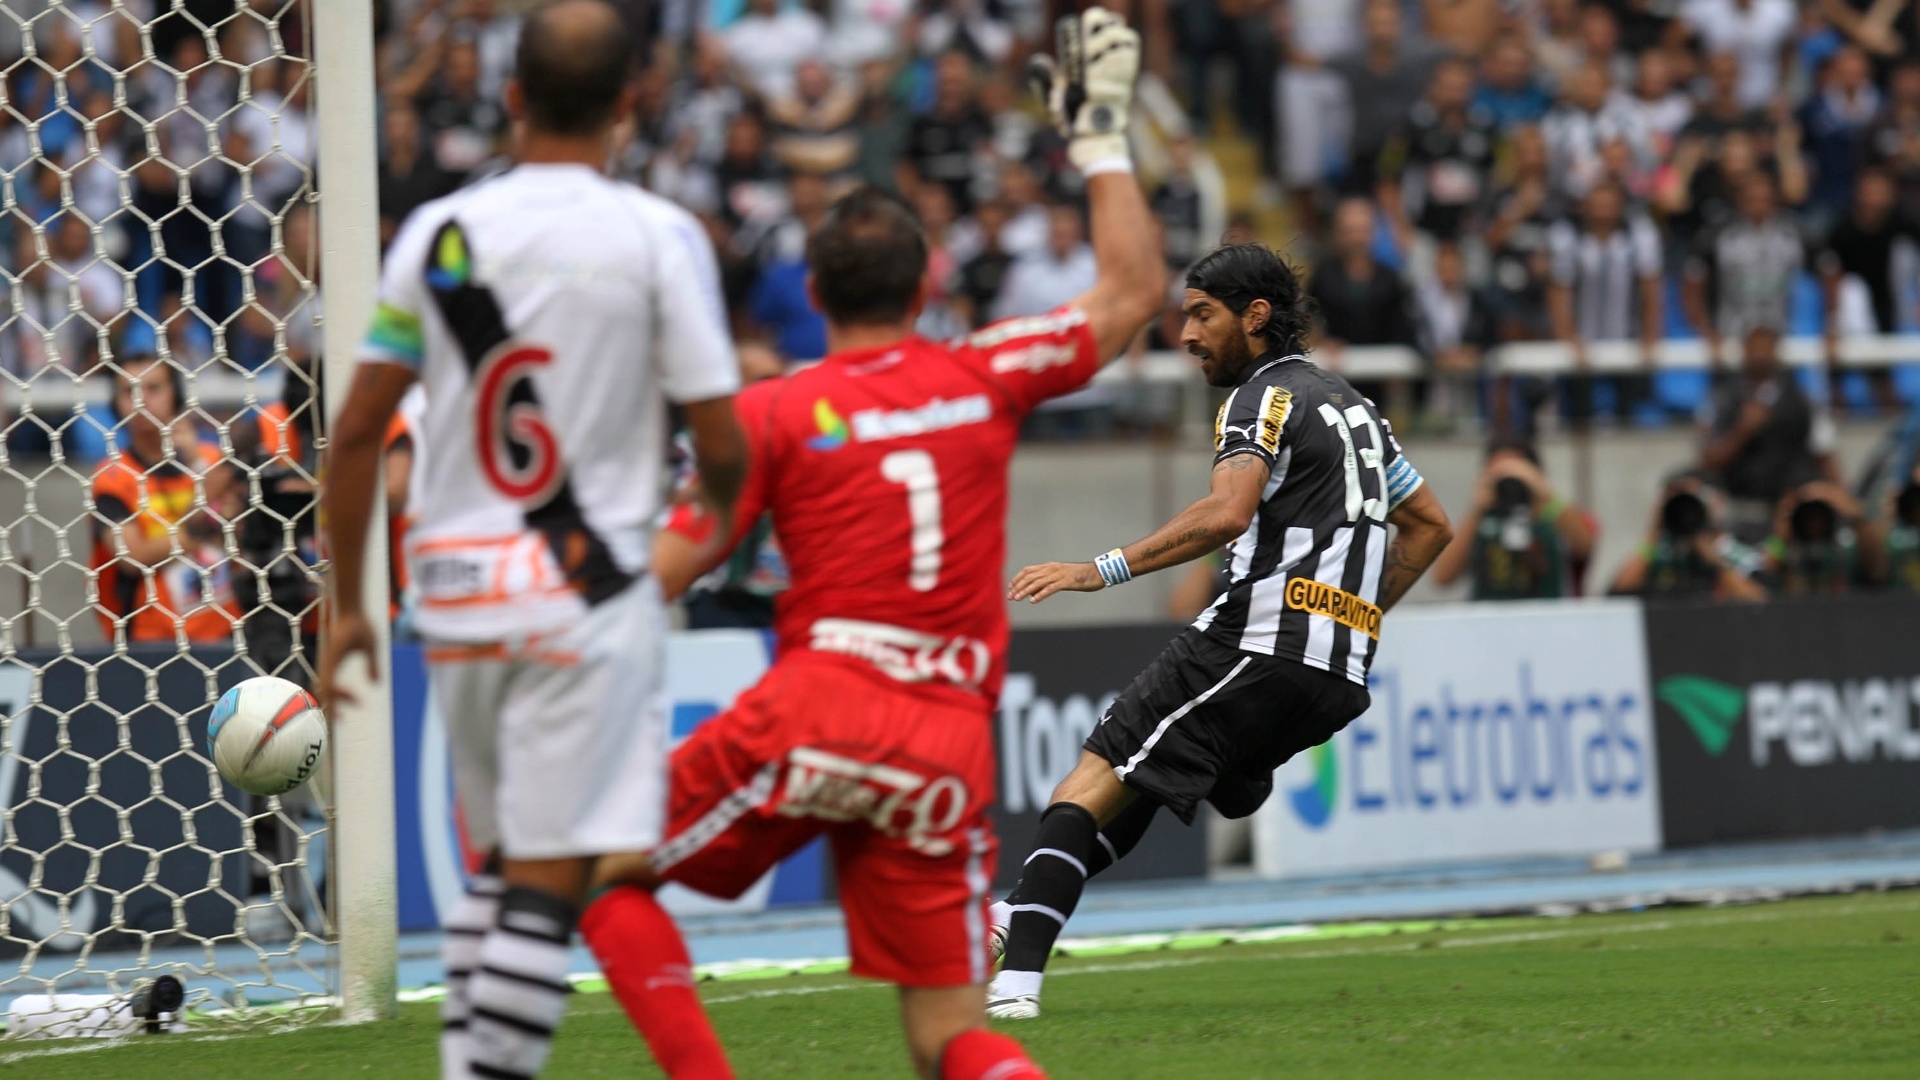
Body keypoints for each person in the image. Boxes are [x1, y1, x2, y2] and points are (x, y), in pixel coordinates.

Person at [587, 11, 1163, 1078]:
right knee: (950, 1039)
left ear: (812, 294)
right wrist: (1099, 143)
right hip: (947, 741)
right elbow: (1131, 293)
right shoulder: (985, 371)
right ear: (928, 283)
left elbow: (673, 563)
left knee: (591, 869)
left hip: (823, 706)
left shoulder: (771, 412)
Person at [318, 4, 746, 1077]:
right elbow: (723, 441)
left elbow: (357, 432)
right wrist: (703, 517)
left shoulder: (438, 235)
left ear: (510, 98)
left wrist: (352, 608)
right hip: (581, 596)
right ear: (631, 104)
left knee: (511, 866)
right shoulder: (656, 238)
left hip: (456, 595)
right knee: (560, 878)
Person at [983, 242, 1453, 1020]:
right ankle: (1011, 914)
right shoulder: (1360, 413)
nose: (1187, 336)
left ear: (1255, 316)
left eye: (1202, 315)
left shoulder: (1261, 399)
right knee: (1136, 783)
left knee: (1090, 781)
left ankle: (1013, 989)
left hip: (1255, 642)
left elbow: (1228, 513)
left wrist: (1100, 568)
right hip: (1337, 674)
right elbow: (1431, 526)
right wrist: (1355, 611)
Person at [90, 356, 239, 644]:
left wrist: (197, 465)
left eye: (153, 388)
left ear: (176, 395)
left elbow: (239, 525)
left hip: (225, 628)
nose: (141, 400)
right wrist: (201, 530)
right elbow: (132, 556)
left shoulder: (209, 459)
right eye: (129, 391)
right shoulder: (113, 477)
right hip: (151, 637)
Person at [1698, 324, 1839, 536]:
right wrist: (1742, 430)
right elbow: (1708, 460)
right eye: (1754, 349)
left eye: (1765, 349)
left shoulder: (1803, 402)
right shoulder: (1721, 399)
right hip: (1736, 504)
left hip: (1787, 508)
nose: (1760, 356)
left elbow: (1824, 455)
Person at [1431, 438, 1596, 599]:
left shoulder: (1553, 514)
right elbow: (1442, 577)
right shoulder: (1480, 520)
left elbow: (1585, 546)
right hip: (1488, 614)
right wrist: (1476, 511)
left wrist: (1545, 494)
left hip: (1546, 613)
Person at [1610, 472, 1769, 599]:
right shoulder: (1660, 553)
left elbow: (1759, 602)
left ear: (1717, 503)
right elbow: (1621, 591)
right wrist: (1653, 533)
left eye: (1694, 499)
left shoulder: (1735, 553)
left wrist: (1711, 557)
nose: (1687, 510)